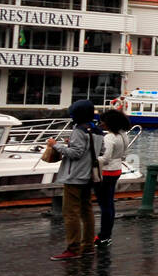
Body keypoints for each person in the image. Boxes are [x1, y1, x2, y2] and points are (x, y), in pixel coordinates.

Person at [47, 100, 102, 260]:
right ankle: (88, 246)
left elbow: (75, 154)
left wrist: (56, 145)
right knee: (87, 211)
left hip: (74, 177)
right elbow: (101, 150)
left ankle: (73, 248)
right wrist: (70, 145)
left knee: (70, 213)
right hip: (89, 176)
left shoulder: (79, 130)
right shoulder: (97, 130)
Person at [95, 109, 132, 247]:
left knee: (104, 205)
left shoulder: (109, 137)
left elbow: (105, 158)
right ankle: (107, 235)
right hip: (117, 169)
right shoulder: (123, 135)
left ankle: (104, 236)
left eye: (103, 122)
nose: (101, 124)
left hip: (107, 172)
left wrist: (91, 159)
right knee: (109, 204)